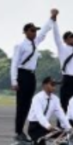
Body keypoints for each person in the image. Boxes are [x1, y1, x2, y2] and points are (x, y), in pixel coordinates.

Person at [11, 10, 56, 138]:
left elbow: (44, 31)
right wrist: (14, 80)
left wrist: (51, 19)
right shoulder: (19, 46)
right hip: (22, 74)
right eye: (31, 30)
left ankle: (29, 129)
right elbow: (14, 63)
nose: (34, 32)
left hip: (31, 75)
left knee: (29, 104)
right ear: (25, 32)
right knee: (21, 105)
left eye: (35, 30)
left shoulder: (35, 43)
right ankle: (18, 131)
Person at [26, 77, 71, 145]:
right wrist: (48, 126)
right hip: (35, 126)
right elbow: (39, 114)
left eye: (55, 85)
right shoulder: (38, 98)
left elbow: (60, 114)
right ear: (45, 85)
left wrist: (68, 127)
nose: (54, 87)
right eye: (52, 84)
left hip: (45, 126)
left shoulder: (55, 99)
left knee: (62, 137)